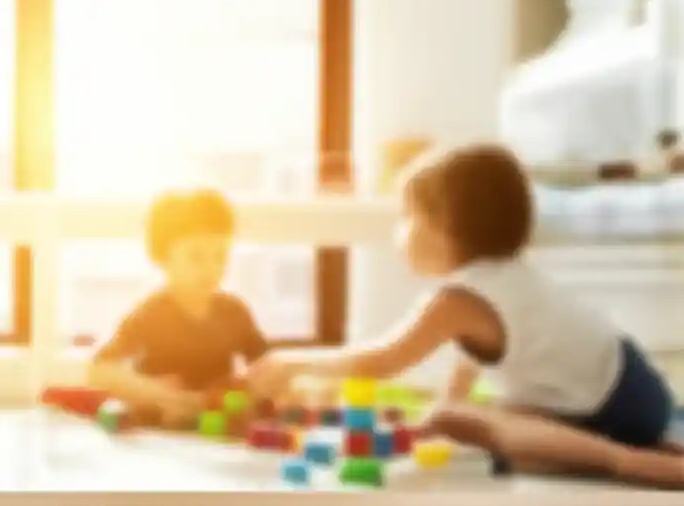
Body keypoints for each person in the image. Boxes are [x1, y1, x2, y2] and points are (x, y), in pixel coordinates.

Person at [248, 144, 683, 487]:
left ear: (442, 230)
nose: (399, 233)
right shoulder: (500, 279)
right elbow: (468, 362)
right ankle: (658, 447)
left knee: (495, 432)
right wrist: (445, 410)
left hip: (613, 403)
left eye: (407, 218)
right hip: (634, 386)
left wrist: (293, 361)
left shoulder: (457, 300)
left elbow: (380, 361)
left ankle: (628, 461)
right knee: (467, 417)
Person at [88, 189, 268, 425]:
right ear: (163, 257)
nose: (211, 268)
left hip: (217, 427)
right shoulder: (151, 313)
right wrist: (155, 392)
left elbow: (266, 365)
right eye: (196, 257)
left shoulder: (233, 312)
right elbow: (100, 369)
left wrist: (245, 388)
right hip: (161, 430)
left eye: (220, 256)